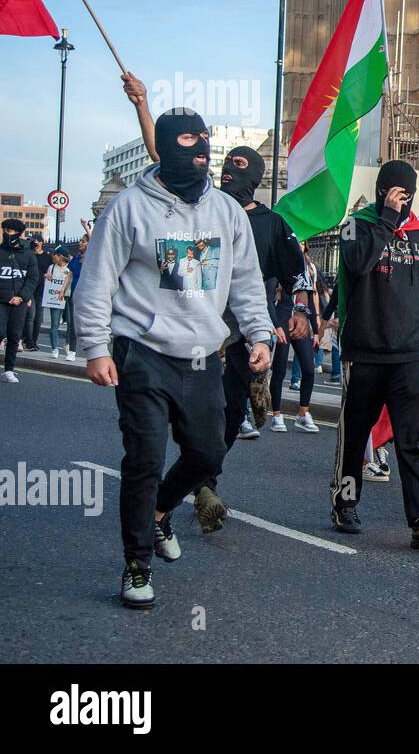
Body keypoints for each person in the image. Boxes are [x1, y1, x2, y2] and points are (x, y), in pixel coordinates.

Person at [77, 107, 275, 609]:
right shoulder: (127, 208)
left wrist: (260, 335)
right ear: (164, 148)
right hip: (141, 353)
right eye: (189, 139)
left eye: (206, 139)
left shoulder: (227, 212)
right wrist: (95, 347)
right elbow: (97, 279)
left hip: (204, 355)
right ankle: (137, 564)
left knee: (208, 455)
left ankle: (162, 511)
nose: (202, 149)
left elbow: (248, 282)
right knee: (143, 459)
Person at [328, 160, 419, 549]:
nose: (401, 197)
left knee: (411, 441)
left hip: (411, 354)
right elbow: (357, 263)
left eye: (406, 191)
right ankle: (344, 503)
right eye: (394, 190)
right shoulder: (355, 225)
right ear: (383, 190)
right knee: (355, 435)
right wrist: (385, 219)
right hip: (365, 351)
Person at [189, 141, 313, 533]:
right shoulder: (202, 213)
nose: (228, 169)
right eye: (226, 163)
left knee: (227, 413)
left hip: (243, 334)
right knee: (199, 410)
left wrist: (298, 312)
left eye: (238, 164)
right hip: (197, 329)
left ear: (255, 176)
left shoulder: (272, 224)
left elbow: (296, 274)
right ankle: (194, 476)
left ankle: (206, 481)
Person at [268, 241, 320, 434]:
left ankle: (303, 414)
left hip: (302, 318)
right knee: (279, 369)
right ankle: (276, 415)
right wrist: (274, 325)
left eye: (302, 243)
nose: (299, 245)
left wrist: (315, 330)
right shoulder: (278, 262)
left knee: (308, 368)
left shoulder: (307, 267)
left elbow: (311, 301)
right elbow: (269, 297)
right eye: (295, 242)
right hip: (282, 315)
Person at [0, 219, 38, 383]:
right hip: (1, 300)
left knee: (14, 336)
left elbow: (33, 278)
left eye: (10, 232)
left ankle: (9, 370)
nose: (7, 234)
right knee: (0, 332)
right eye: (5, 231)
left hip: (19, 302)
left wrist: (22, 297)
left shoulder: (28, 254)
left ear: (18, 234)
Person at [20, 235, 52, 351]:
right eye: (34, 241)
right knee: (30, 316)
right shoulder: (29, 255)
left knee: (39, 318)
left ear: (42, 243)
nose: (35, 243)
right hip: (30, 289)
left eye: (37, 241)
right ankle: (29, 342)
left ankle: (33, 340)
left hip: (41, 290)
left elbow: (54, 270)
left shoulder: (48, 257)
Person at [42, 247, 72, 358]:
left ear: (59, 256)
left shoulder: (69, 268)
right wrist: (46, 276)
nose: (52, 256)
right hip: (55, 299)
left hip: (67, 298)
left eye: (54, 254)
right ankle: (54, 348)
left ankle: (67, 344)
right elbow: (48, 281)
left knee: (70, 323)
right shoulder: (52, 267)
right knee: (54, 324)